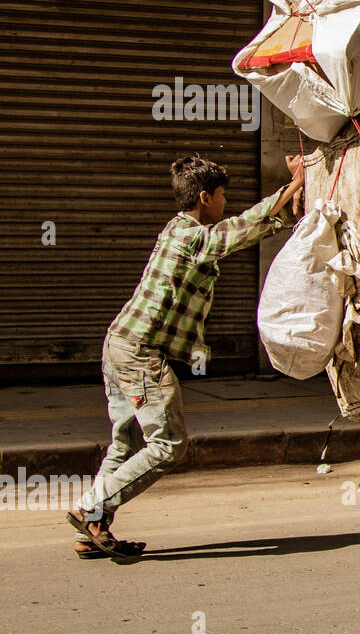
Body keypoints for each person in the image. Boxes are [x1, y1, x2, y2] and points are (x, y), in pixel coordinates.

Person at [67, 154, 305, 559]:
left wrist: (287, 214)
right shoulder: (190, 235)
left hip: (120, 346)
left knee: (125, 445)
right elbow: (238, 229)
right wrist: (292, 187)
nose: (225, 202)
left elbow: (237, 236)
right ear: (205, 197)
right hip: (140, 353)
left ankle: (92, 528)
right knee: (169, 445)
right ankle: (90, 507)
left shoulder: (184, 233)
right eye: (223, 195)